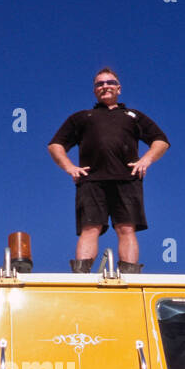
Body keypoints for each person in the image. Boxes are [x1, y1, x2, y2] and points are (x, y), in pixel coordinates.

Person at [48, 68, 169, 273]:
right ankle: (81, 276)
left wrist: (145, 161)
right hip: (91, 180)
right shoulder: (82, 117)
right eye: (99, 84)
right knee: (90, 227)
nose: (105, 86)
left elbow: (161, 141)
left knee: (126, 228)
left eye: (109, 82)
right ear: (95, 90)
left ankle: (130, 275)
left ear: (118, 88)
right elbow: (55, 145)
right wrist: (70, 167)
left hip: (127, 179)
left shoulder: (133, 116)